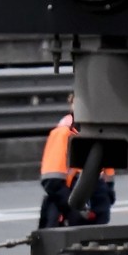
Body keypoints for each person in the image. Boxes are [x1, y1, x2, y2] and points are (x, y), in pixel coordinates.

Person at [38, 93, 115, 229]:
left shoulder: (103, 134)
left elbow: (108, 178)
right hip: (67, 214)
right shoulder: (63, 134)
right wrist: (73, 211)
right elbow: (52, 182)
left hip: (95, 212)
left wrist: (105, 200)